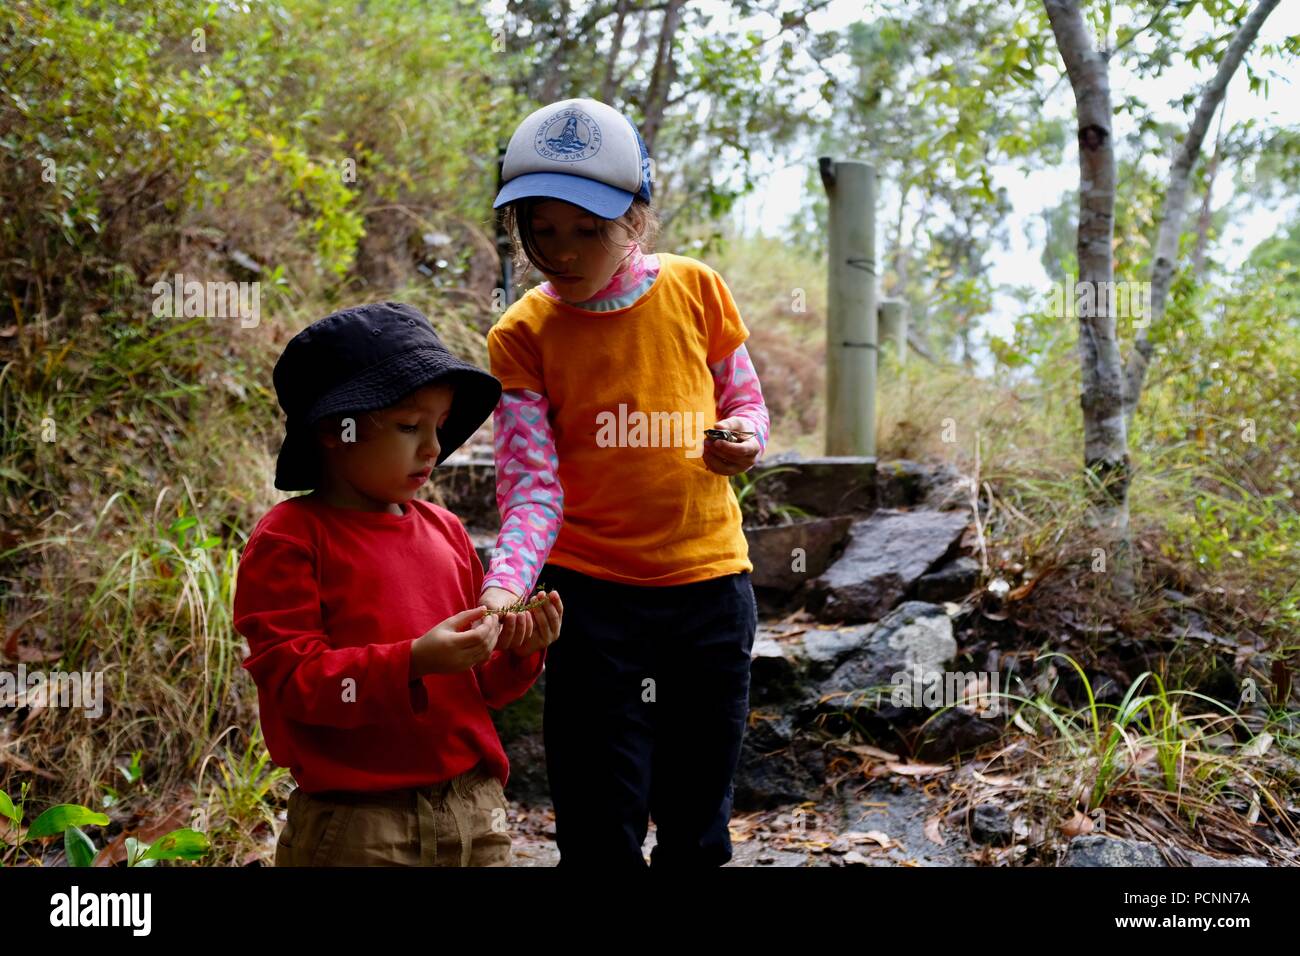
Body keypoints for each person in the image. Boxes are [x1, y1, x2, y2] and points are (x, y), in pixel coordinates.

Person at [483, 97, 770, 866]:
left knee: (697, 822)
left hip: (709, 589)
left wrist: (745, 440)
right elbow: (532, 486)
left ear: (635, 223)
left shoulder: (695, 291)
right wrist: (502, 590)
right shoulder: (522, 336)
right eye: (540, 230)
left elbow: (742, 398)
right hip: (591, 599)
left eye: (588, 230)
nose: (562, 252)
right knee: (597, 823)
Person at [233, 301, 563, 866]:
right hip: (358, 823)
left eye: (438, 426)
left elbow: (477, 689)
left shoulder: (446, 530)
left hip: (473, 808)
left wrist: (514, 651)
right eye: (410, 426)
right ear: (336, 430)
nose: (433, 448)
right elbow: (295, 681)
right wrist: (410, 661)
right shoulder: (291, 540)